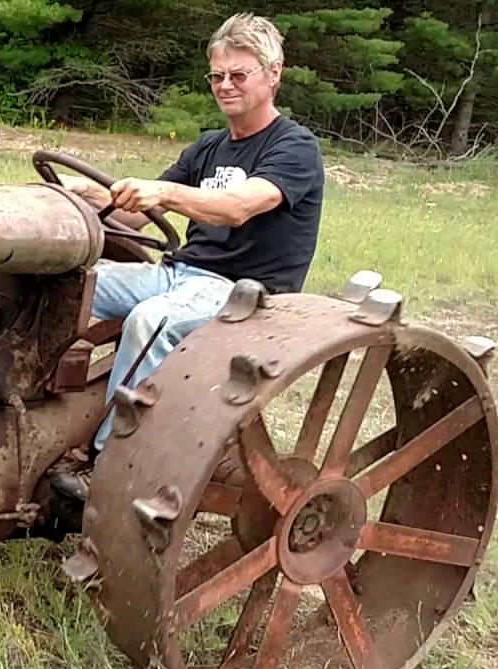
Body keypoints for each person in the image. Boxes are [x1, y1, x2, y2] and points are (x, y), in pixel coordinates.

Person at [48, 12, 325, 498]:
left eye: (238, 75)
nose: (225, 85)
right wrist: (91, 196)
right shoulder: (210, 147)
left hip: (245, 296)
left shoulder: (295, 148)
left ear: (273, 74)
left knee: (150, 321)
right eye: (217, 76)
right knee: (70, 282)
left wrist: (164, 194)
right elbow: (132, 218)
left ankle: (109, 465)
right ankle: (1, 396)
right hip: (179, 274)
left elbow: (238, 206)